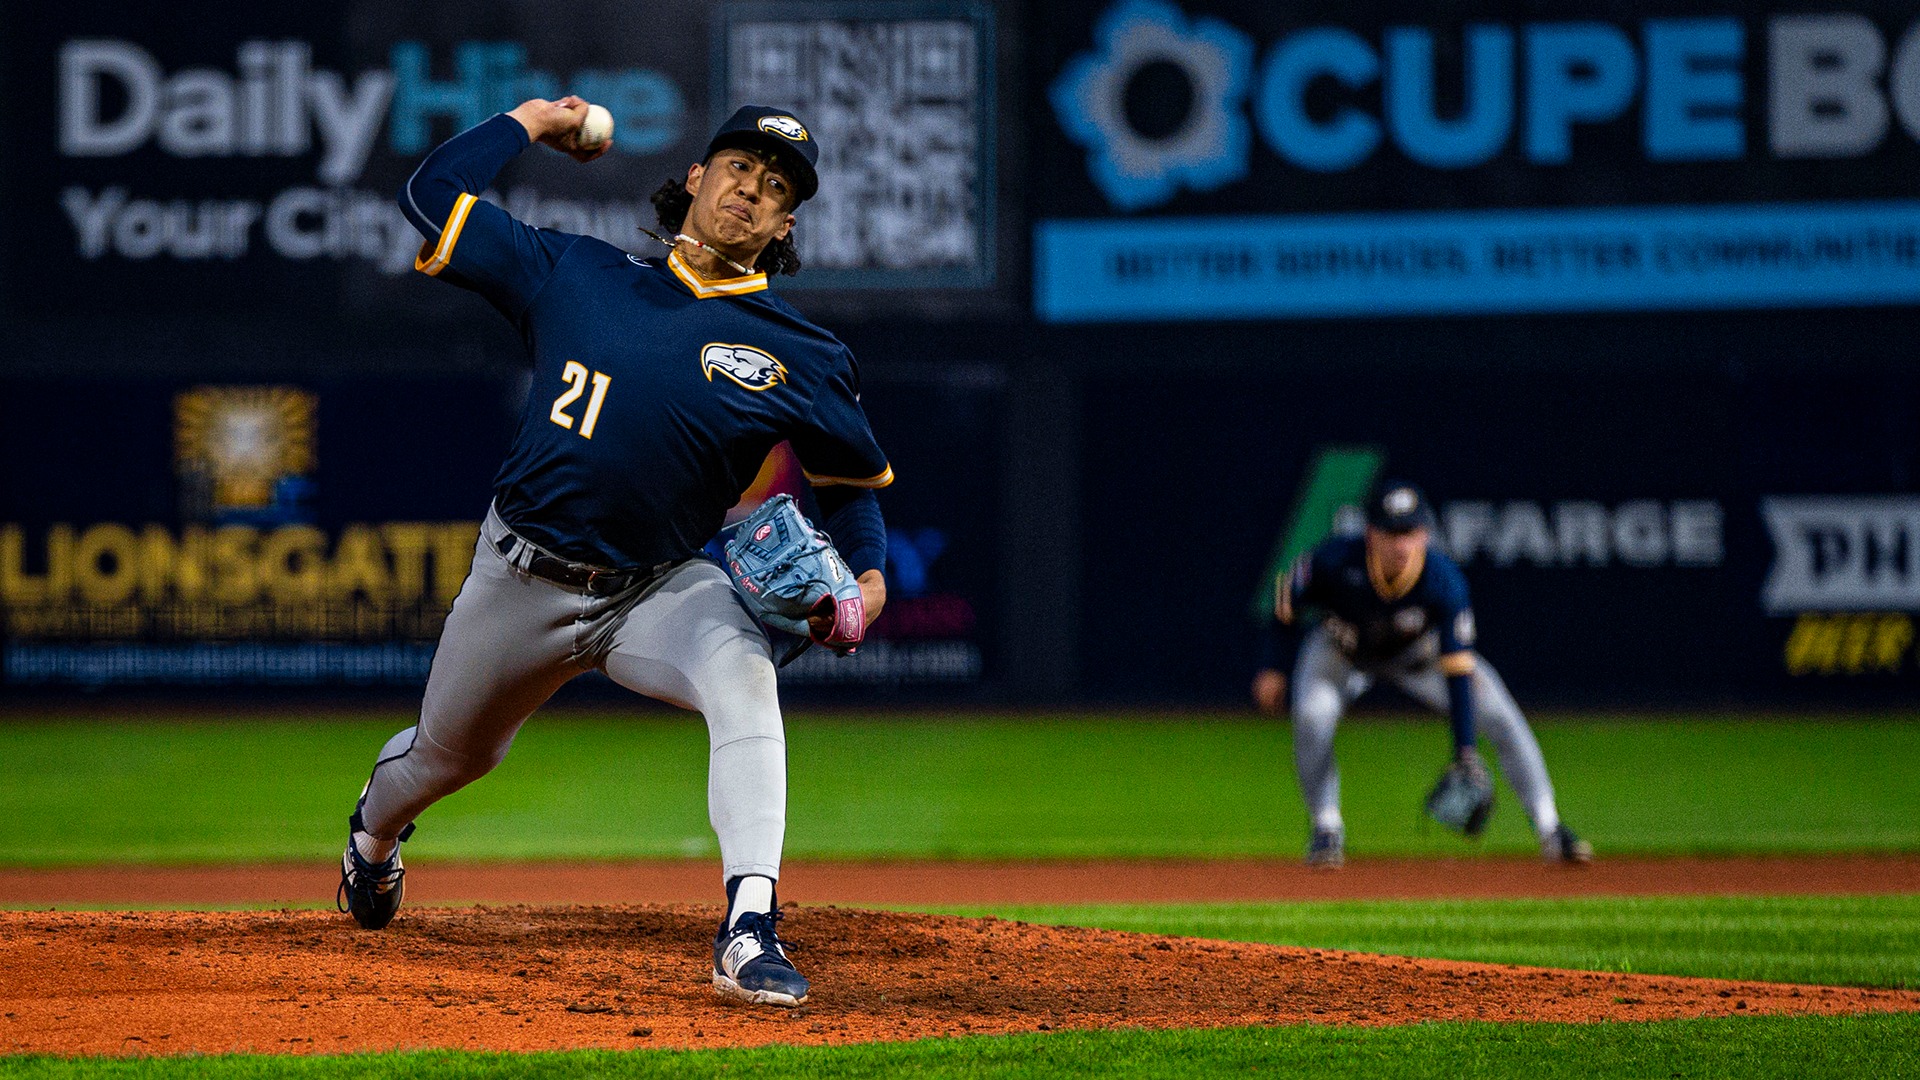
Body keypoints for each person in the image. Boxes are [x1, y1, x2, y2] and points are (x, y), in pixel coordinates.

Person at [336, 96, 893, 1010]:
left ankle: (749, 927)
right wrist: (526, 121)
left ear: (788, 223)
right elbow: (430, 195)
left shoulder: (805, 352)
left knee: (745, 672)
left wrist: (867, 579)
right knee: (448, 758)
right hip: (521, 579)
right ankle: (371, 837)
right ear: (696, 181)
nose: (753, 193)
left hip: (659, 588)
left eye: (777, 188)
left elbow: (850, 485)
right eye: (741, 170)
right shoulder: (574, 271)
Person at [1251, 482, 1591, 869]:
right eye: (1391, 533)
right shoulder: (1333, 560)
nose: (1401, 544)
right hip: (1341, 653)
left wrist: (1464, 751)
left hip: (1419, 658)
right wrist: (1273, 666)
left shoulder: (1443, 580)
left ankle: (1551, 828)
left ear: (1425, 534)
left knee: (1501, 715)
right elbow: (1285, 603)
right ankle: (1326, 828)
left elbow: (1458, 669)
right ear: (1371, 534)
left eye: (1410, 533)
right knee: (1312, 716)